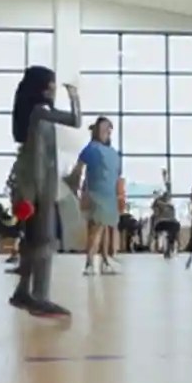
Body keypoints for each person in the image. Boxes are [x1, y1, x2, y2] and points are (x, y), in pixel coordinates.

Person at [9, 66, 81, 317]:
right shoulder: (40, 112)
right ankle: (40, 295)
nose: (53, 88)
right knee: (44, 240)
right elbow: (76, 120)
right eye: (51, 84)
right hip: (40, 185)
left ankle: (23, 291)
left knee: (33, 240)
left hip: (32, 183)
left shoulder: (34, 113)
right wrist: (74, 96)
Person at [69, 117, 122, 276]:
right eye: (104, 129)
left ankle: (104, 262)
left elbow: (117, 176)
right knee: (96, 227)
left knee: (104, 228)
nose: (106, 132)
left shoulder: (113, 153)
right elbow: (79, 170)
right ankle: (90, 262)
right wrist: (77, 189)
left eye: (109, 130)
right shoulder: (91, 149)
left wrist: (119, 196)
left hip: (109, 195)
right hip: (95, 193)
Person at [151, 191, 180, 257]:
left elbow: (155, 213)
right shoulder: (171, 206)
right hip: (173, 223)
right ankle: (172, 246)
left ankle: (159, 246)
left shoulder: (158, 203)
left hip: (162, 223)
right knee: (173, 231)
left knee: (158, 229)